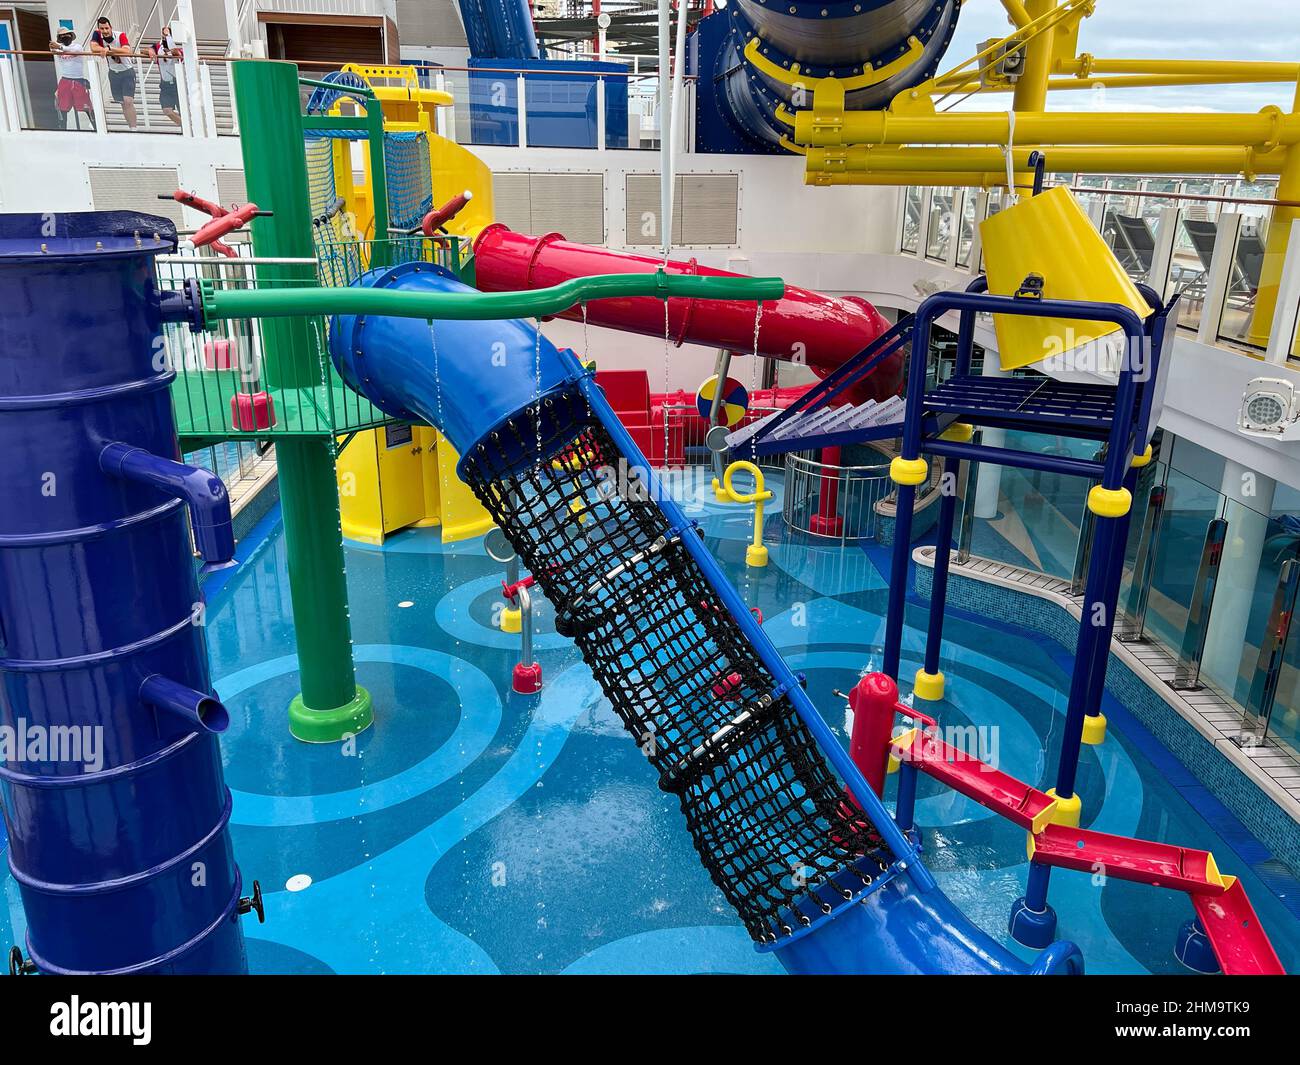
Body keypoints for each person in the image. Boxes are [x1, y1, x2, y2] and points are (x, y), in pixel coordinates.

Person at [90, 15, 138, 129]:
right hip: (113, 73)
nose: (105, 31)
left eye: (107, 28)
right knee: (122, 103)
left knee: (128, 101)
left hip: (127, 71)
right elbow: (93, 48)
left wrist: (110, 49)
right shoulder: (97, 35)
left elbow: (127, 50)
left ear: (111, 27)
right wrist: (104, 49)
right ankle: (131, 127)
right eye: (102, 29)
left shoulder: (120, 35)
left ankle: (134, 128)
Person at [49, 29, 94, 131]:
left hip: (78, 80)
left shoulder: (77, 46)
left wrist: (60, 47)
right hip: (65, 80)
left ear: (71, 36)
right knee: (62, 107)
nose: (65, 37)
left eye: (67, 35)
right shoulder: (59, 49)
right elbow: (53, 50)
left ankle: (96, 127)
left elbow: (77, 52)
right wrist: (54, 46)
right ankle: (63, 130)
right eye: (62, 36)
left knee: (87, 107)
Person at [152, 25, 183, 127]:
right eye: (163, 35)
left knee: (183, 112)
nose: (164, 37)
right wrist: (151, 52)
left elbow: (177, 53)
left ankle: (187, 128)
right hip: (165, 85)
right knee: (167, 110)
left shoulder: (177, 48)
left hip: (177, 84)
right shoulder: (158, 47)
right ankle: (186, 126)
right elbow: (150, 49)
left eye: (167, 35)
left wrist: (168, 37)